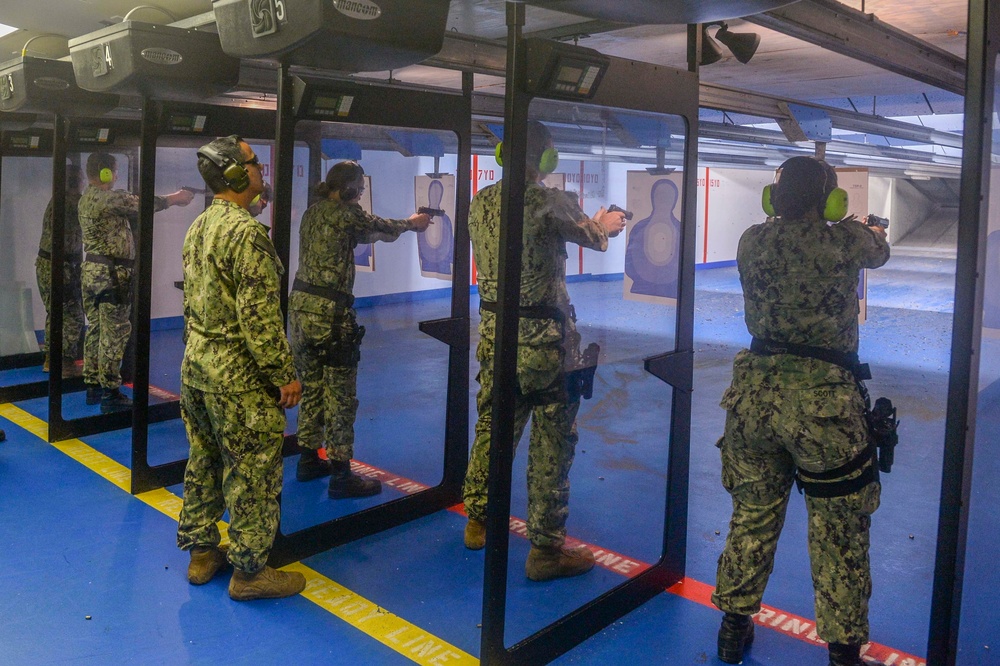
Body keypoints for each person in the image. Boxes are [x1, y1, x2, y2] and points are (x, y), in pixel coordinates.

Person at [711, 156, 890, 666]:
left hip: (753, 400)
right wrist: (863, 225)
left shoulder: (752, 239)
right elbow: (879, 250)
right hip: (824, 407)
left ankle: (733, 628)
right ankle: (841, 651)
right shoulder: (847, 241)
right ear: (831, 201)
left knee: (751, 517)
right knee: (838, 530)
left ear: (775, 198)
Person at [462, 120, 626, 581]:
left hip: (495, 337)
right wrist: (606, 223)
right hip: (546, 346)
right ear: (546, 159)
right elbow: (594, 239)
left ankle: (477, 519)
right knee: (553, 443)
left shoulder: (482, 201)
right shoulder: (550, 200)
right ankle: (546, 549)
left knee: (495, 428)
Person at [176, 135, 305, 601]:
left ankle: (201, 552)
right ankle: (250, 572)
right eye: (254, 163)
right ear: (234, 174)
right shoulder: (247, 233)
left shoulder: (201, 224)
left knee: (204, 460)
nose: (260, 169)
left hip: (196, 369)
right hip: (238, 379)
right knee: (252, 471)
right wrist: (283, 375)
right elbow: (259, 319)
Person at [289, 161, 431, 498]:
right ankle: (341, 475)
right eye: (360, 190)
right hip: (330, 314)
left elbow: (371, 232)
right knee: (340, 396)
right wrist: (413, 224)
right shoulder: (345, 213)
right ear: (350, 189)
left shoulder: (313, 212)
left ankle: (308, 459)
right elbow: (378, 226)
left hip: (300, 311)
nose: (360, 196)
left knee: (311, 387)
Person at [78, 152, 194, 412]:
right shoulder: (109, 198)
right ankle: (110, 393)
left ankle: (93, 385)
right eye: (115, 171)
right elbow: (141, 204)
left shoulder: (87, 198)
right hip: (112, 275)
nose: (117, 175)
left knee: (96, 329)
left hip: (93, 272)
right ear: (106, 172)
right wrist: (175, 199)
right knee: (115, 332)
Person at [36, 165, 85, 377]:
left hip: (49, 264)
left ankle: (51, 359)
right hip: (61, 267)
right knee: (73, 315)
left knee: (55, 313)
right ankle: (64, 363)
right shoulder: (72, 202)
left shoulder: (57, 199)